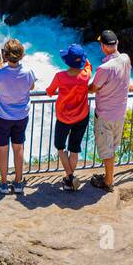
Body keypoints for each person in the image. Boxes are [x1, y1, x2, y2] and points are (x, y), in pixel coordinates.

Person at [87, 29, 133, 192]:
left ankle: (108, 181)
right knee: (112, 147)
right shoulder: (125, 59)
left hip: (105, 115)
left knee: (107, 151)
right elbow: (124, 76)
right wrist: (129, 84)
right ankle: (108, 176)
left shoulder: (104, 68)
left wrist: (84, 86)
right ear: (117, 43)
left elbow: (93, 88)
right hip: (120, 113)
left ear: (103, 46)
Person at [0, 39, 36, 195]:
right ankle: (18, 182)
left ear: (5, 55)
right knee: (19, 147)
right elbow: (32, 86)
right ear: (21, 55)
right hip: (21, 116)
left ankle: (3, 183)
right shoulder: (29, 72)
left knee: (3, 149)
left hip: (1, 116)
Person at [46, 43, 92, 191]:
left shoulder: (60, 77)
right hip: (81, 117)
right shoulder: (85, 76)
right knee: (74, 149)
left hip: (64, 118)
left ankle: (70, 177)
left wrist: (50, 91)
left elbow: (50, 91)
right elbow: (88, 65)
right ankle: (68, 180)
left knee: (60, 147)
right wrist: (83, 59)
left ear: (66, 61)